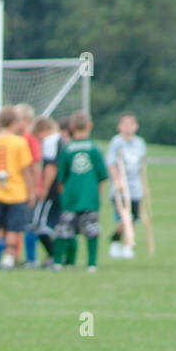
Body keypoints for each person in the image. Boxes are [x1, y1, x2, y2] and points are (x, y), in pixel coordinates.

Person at [0, 106, 36, 269]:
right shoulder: (20, 142)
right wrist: (31, 191)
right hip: (17, 192)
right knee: (13, 227)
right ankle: (9, 258)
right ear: (13, 123)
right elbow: (26, 169)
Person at [55, 110, 108, 271]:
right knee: (91, 229)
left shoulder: (67, 148)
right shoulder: (95, 148)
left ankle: (60, 262)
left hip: (70, 196)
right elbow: (101, 176)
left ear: (71, 127)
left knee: (65, 229)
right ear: (90, 125)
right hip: (90, 196)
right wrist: (98, 194)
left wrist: (64, 194)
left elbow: (61, 177)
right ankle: (91, 263)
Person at [105, 111, 148, 259]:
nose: (128, 127)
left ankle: (128, 245)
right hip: (121, 188)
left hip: (135, 187)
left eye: (131, 123)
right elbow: (111, 163)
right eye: (125, 123)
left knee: (134, 218)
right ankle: (116, 240)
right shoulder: (116, 142)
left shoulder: (139, 143)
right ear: (119, 126)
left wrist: (144, 185)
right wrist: (117, 180)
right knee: (123, 218)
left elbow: (142, 164)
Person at [14, 104, 44, 267]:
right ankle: (16, 256)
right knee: (17, 224)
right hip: (19, 188)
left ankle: (31, 258)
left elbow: (35, 165)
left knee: (30, 224)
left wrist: (34, 188)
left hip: (29, 189)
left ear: (25, 121)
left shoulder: (29, 140)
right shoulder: (18, 139)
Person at [32, 115, 63, 268]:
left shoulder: (51, 141)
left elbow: (51, 167)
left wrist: (44, 189)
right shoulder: (63, 140)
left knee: (39, 224)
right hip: (62, 191)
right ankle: (60, 257)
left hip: (52, 192)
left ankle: (55, 255)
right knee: (59, 225)